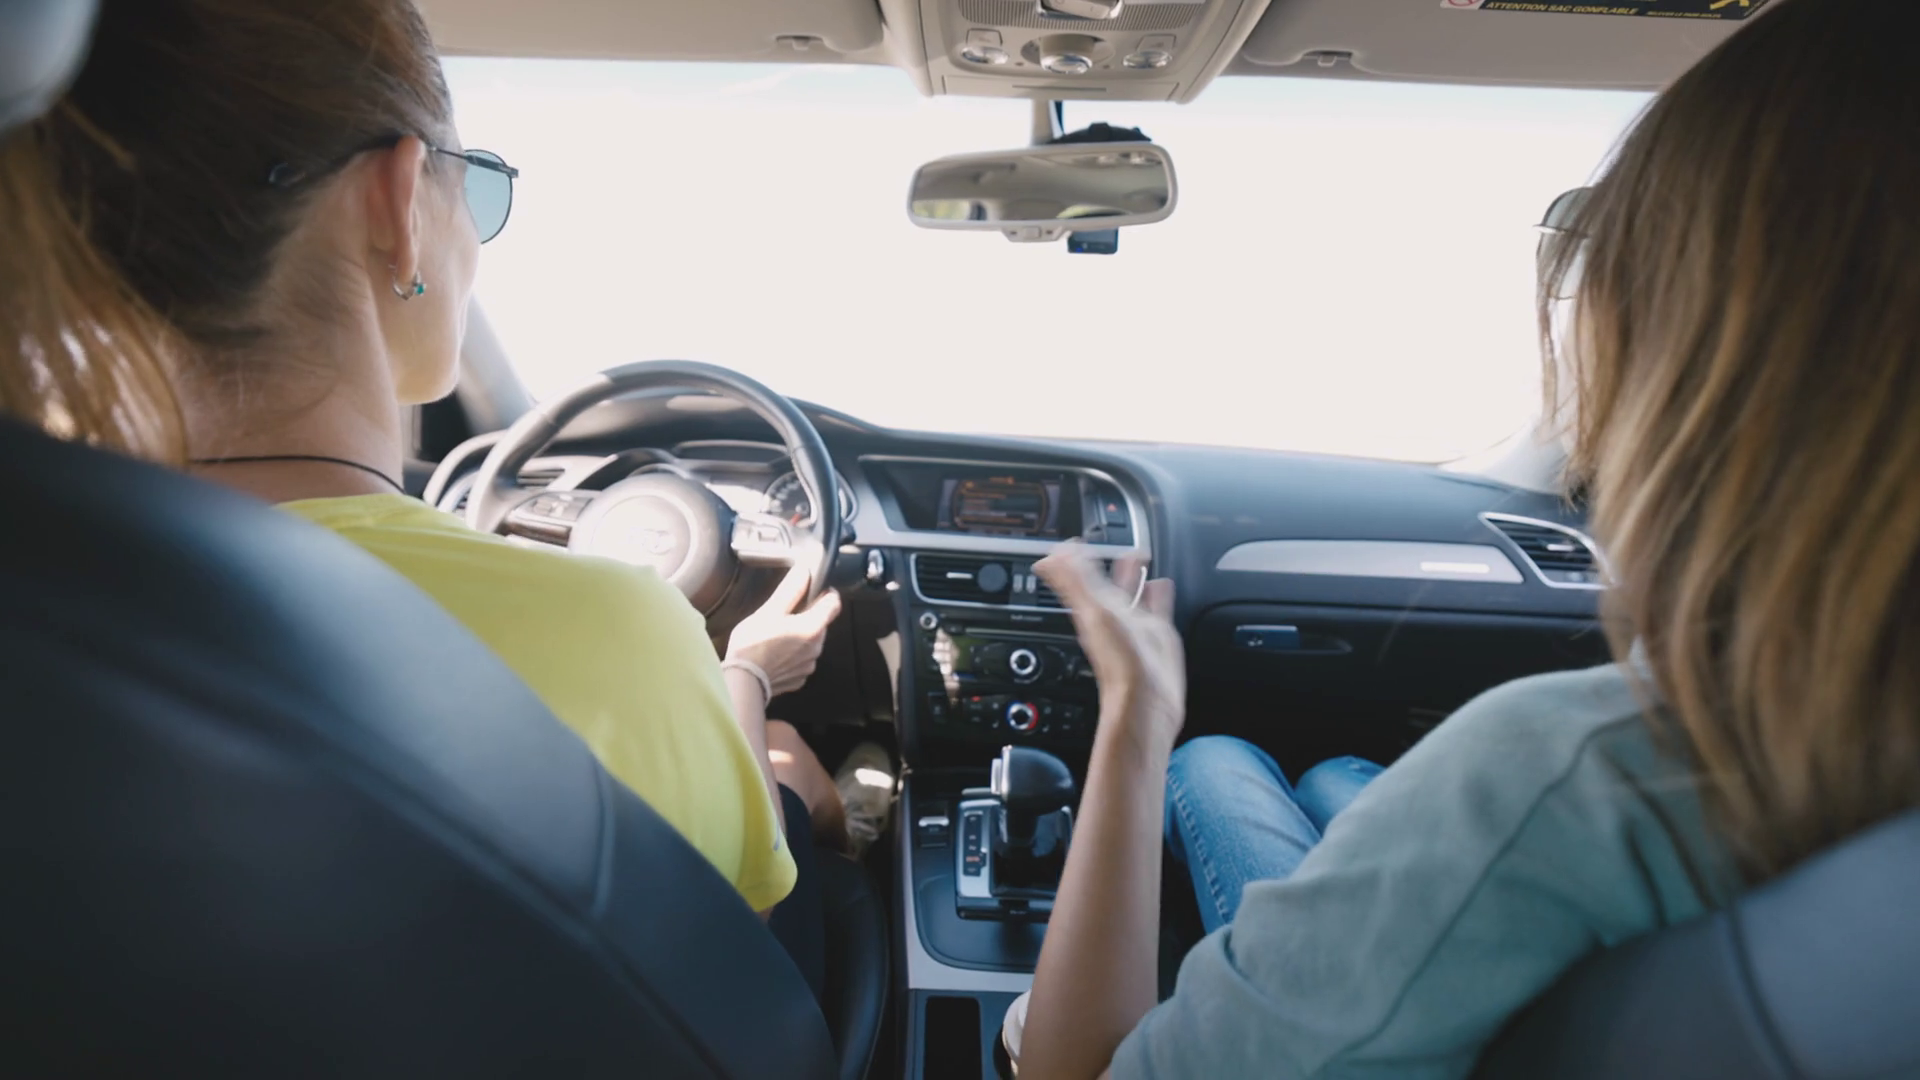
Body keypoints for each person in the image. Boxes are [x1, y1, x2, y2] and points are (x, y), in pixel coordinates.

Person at [1020, 1, 1920, 1076]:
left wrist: (1137, 711)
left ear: (1691, 353)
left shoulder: (1566, 780)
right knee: (1316, 773)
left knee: (1206, 760)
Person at [0, 0, 886, 992]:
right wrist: (746, 676)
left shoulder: (48, 610)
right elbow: (732, 952)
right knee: (799, 801)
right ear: (396, 204)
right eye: (474, 186)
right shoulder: (610, 632)